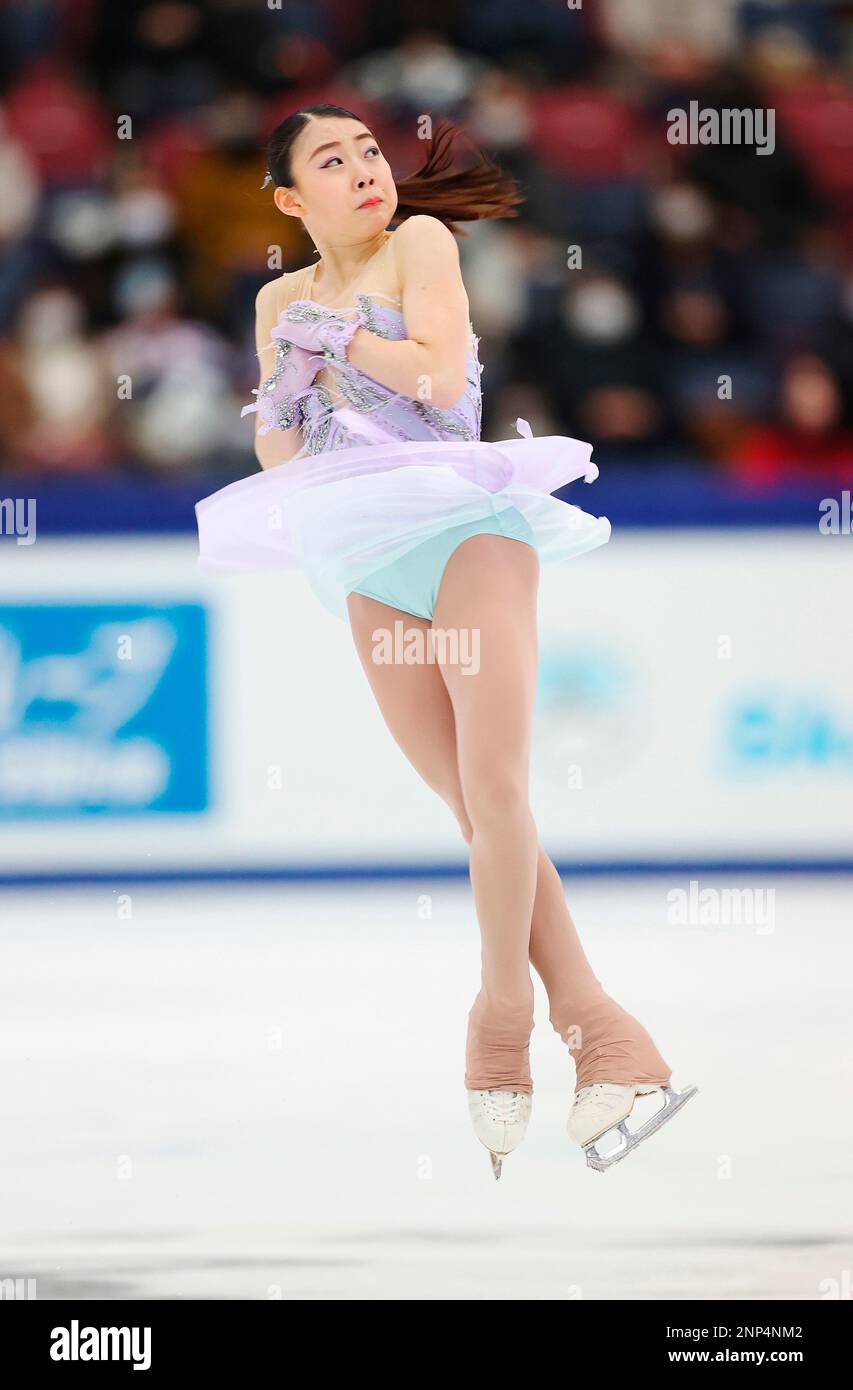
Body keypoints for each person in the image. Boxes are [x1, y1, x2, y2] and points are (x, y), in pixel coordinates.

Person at [195, 105, 698, 1176]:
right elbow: (285, 462)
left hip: (466, 529)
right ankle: (606, 1033)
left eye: (370, 149)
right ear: (291, 200)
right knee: (472, 810)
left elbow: (436, 373)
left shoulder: (422, 241)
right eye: (332, 161)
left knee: (498, 786)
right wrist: (284, 383)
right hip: (369, 560)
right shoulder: (276, 299)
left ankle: (500, 1019)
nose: (366, 169)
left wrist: (343, 343)